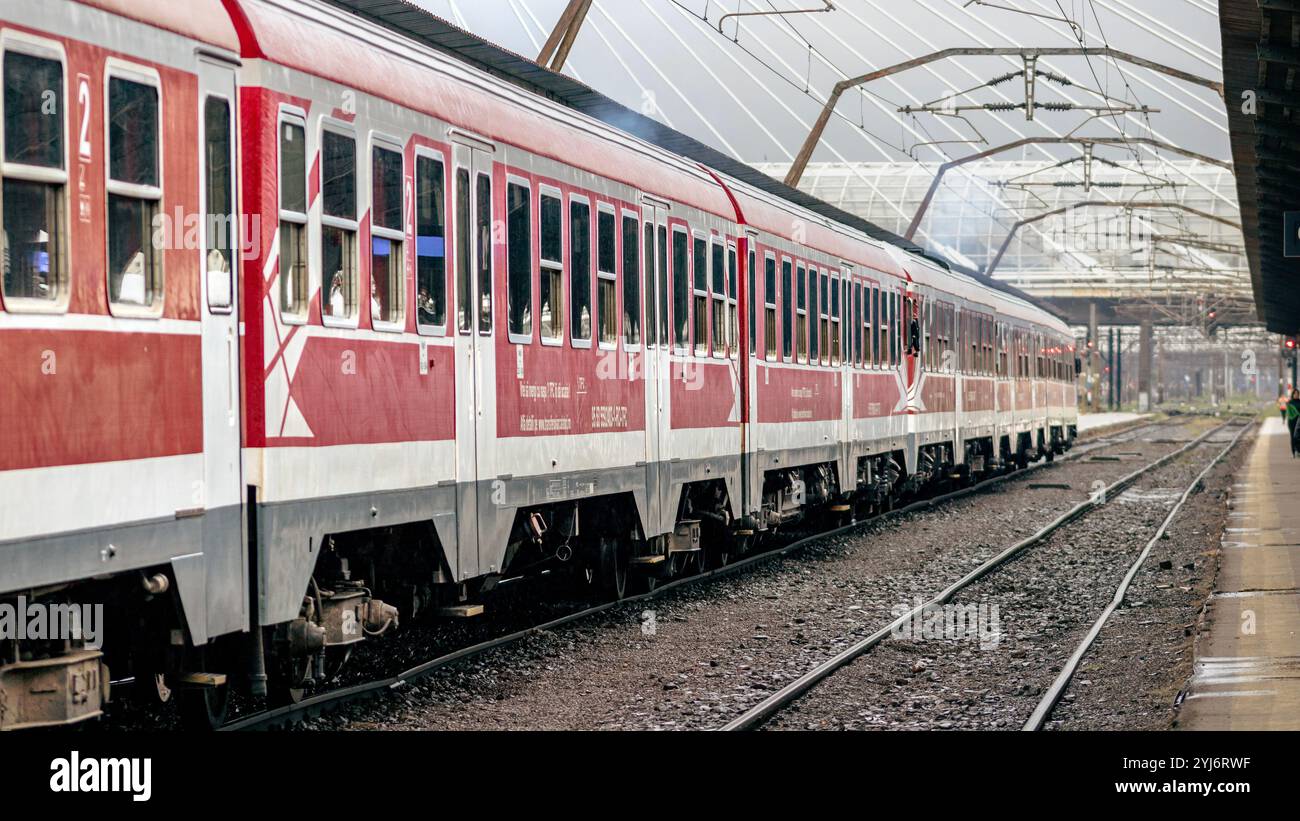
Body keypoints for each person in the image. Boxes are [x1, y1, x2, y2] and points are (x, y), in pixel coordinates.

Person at [1286, 389, 1300, 457]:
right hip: (1292, 422)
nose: (1296, 395)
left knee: (1298, 437)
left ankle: (1298, 450)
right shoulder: (1290, 403)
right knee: (1293, 437)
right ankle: (1293, 452)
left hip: (1299, 422)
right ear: (1293, 394)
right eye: (1295, 393)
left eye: (1298, 393)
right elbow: (1289, 413)